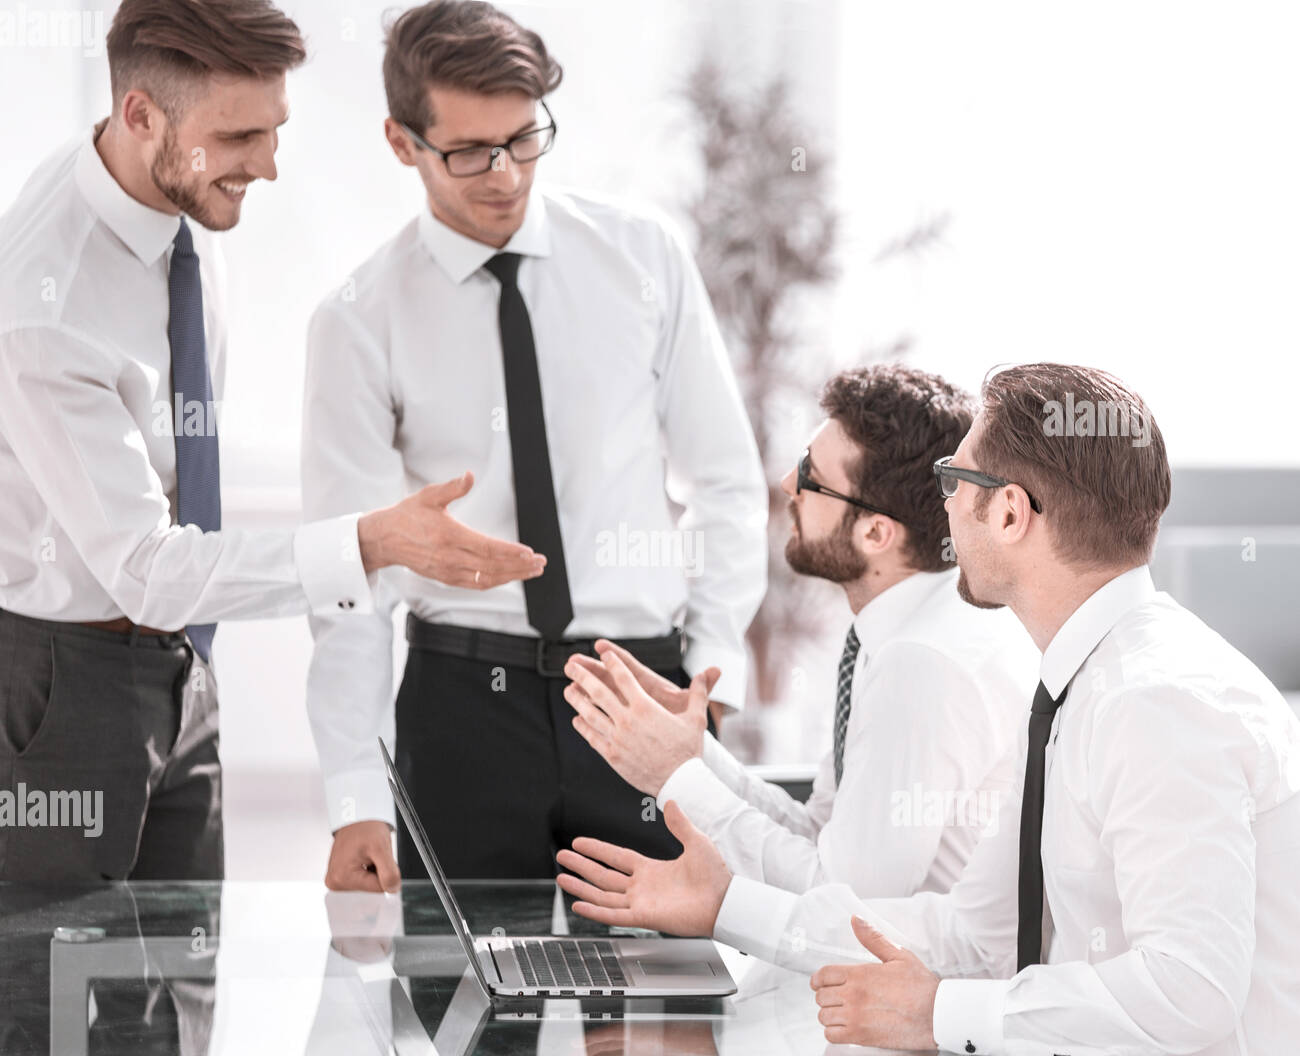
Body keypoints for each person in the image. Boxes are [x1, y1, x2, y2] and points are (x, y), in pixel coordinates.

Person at [557, 363, 1300, 1056]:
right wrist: (730, 907)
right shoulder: (1078, 686)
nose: (941, 510)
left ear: (1010, 514)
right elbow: (974, 934)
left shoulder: (1155, 699)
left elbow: (1192, 984)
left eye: (956, 481)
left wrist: (941, 1011)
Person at [0, 0, 541, 885]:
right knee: (59, 1002)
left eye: (276, 129)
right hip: (64, 685)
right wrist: (369, 541)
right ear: (140, 115)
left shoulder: (185, 198)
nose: (271, 165)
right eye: (243, 135)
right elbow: (144, 567)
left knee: (186, 979)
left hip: (182, 670)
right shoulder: (42, 305)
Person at [303, 0, 767, 887]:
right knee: (457, 1005)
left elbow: (726, 484)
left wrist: (710, 681)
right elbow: (346, 578)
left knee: (661, 1011)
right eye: (470, 150)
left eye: (524, 139)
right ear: (402, 142)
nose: (507, 174)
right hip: (462, 707)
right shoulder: (358, 321)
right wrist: (355, 792)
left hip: (641, 692)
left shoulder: (644, 258)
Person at [562, 364, 1037, 904]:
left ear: (876, 533)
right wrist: (694, 752)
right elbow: (823, 839)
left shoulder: (920, 665)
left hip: (898, 978)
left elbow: (847, 899)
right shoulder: (899, 631)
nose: (789, 485)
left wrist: (675, 775)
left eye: (811, 477)